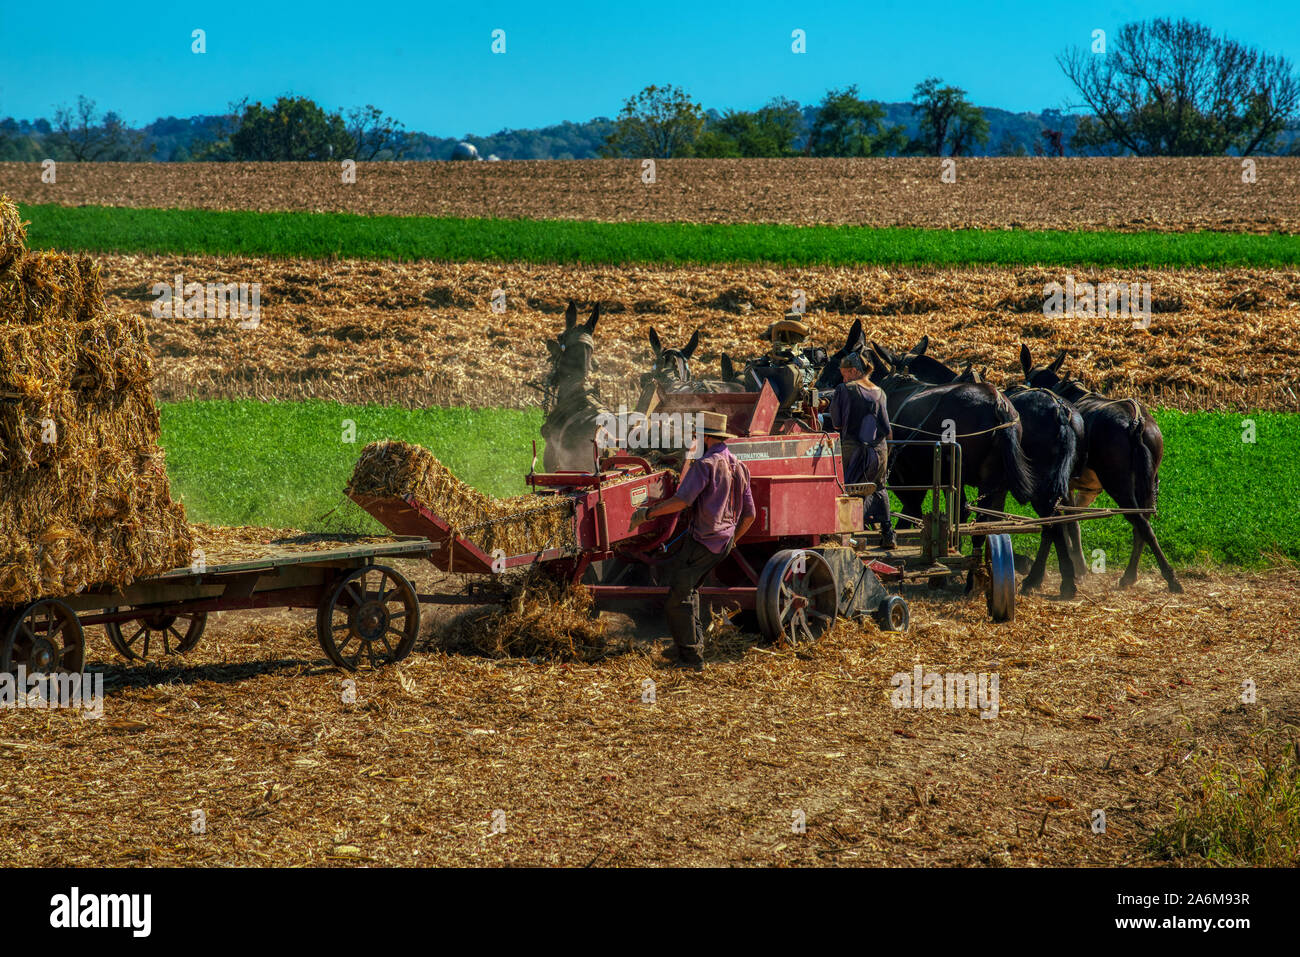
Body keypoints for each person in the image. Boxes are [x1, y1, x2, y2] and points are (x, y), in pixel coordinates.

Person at [629, 411, 755, 670]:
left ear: (707, 438)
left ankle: (690, 658)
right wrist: (733, 541)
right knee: (690, 589)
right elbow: (750, 514)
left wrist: (648, 513)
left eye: (697, 435)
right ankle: (689, 645)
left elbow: (682, 501)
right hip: (723, 542)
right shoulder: (739, 466)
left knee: (679, 593)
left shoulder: (705, 465)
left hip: (703, 541)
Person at [828, 351, 896, 548]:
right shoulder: (880, 392)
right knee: (880, 488)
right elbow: (886, 427)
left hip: (853, 450)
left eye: (844, 373)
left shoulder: (844, 389)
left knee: (846, 489)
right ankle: (888, 534)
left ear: (854, 371)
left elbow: (837, 424)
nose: (843, 378)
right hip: (879, 451)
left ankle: (846, 537)